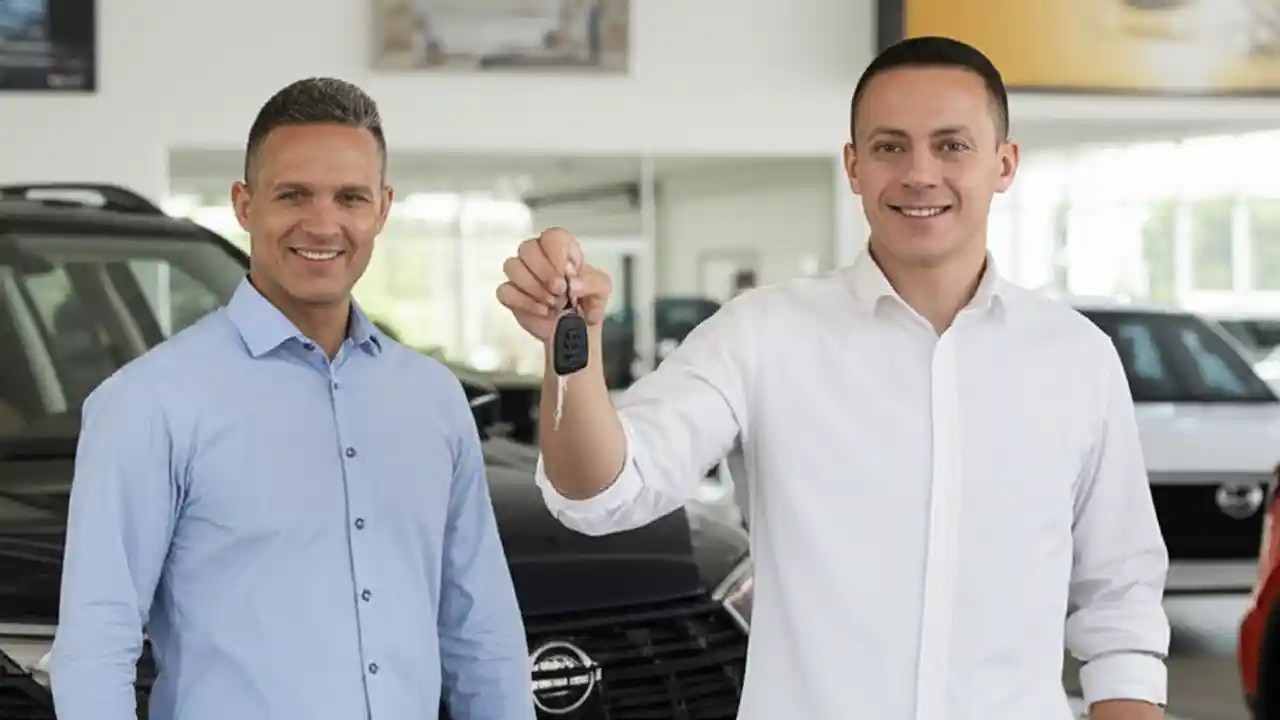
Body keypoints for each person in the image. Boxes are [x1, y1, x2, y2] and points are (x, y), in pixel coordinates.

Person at [497, 37, 1170, 720]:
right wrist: (569, 352)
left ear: (1005, 163)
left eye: (951, 145)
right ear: (853, 165)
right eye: (889, 146)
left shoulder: (1076, 358)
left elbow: (1120, 598)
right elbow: (602, 493)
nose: (919, 172)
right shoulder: (762, 335)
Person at [50, 77, 534, 720]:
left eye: (350, 197)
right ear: (245, 205)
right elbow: (95, 648)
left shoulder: (433, 399)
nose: (323, 223)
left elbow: (482, 633)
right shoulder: (149, 403)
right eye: (293, 194)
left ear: (382, 209)